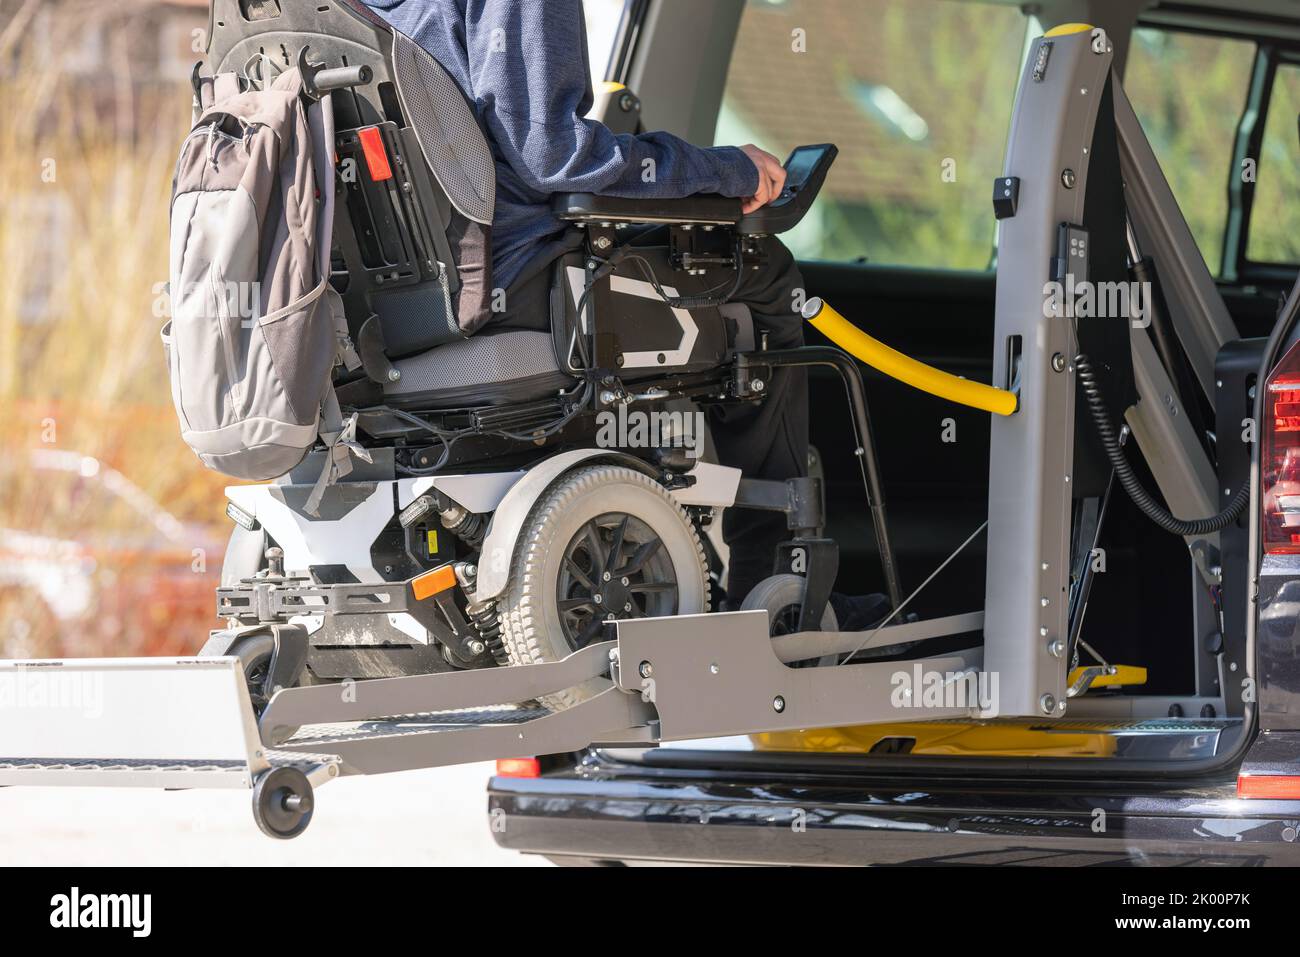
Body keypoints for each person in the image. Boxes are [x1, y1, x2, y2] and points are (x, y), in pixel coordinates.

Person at [359, 0, 843, 613]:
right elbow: (554, 155)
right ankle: (772, 582)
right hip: (517, 292)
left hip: (392, 313)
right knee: (761, 270)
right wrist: (726, 171)